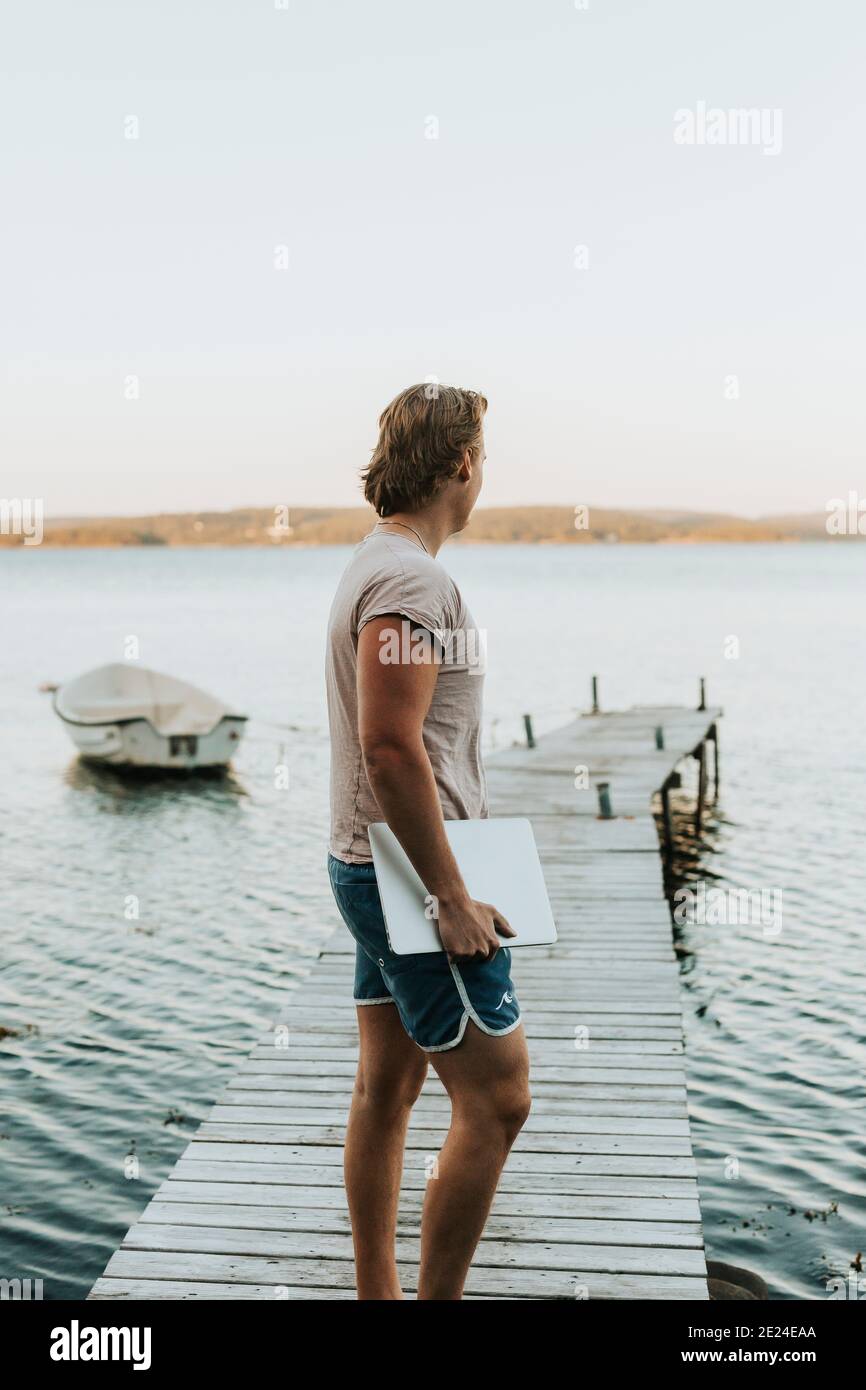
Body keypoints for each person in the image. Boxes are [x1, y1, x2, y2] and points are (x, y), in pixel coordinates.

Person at [325, 383, 531, 1300]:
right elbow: (389, 745)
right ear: (462, 465)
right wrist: (449, 897)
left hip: (375, 864)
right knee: (496, 1098)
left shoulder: (380, 560)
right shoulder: (413, 580)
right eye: (484, 454)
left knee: (388, 1087)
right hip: (409, 879)